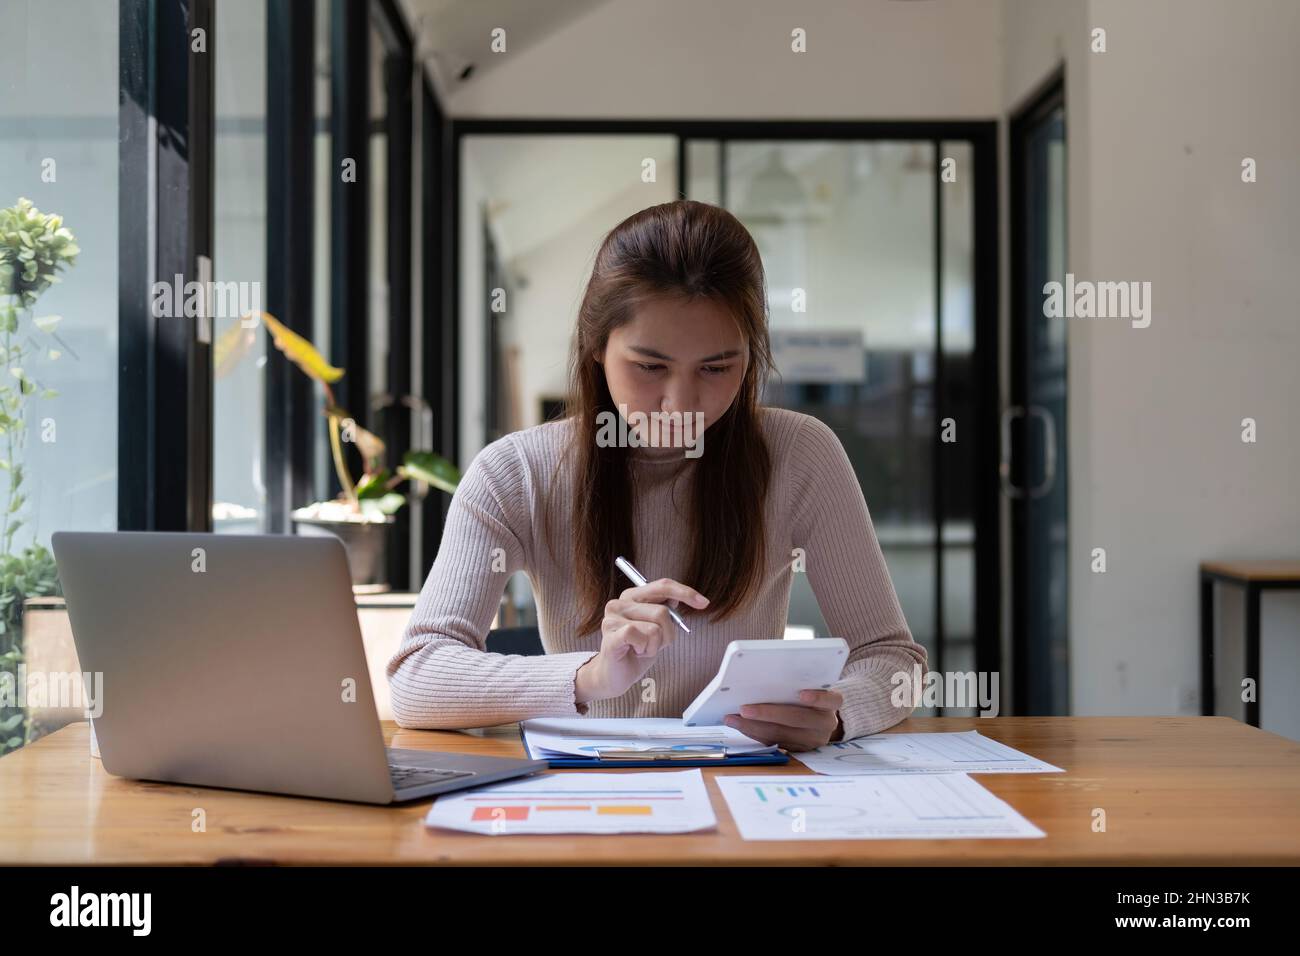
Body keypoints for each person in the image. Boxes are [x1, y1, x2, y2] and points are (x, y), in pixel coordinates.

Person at [387, 199, 927, 750]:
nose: (681, 404)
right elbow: (416, 678)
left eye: (718, 368)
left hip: (747, 790)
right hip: (588, 794)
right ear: (596, 345)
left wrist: (837, 715)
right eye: (650, 367)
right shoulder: (515, 473)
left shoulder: (799, 454)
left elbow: (892, 659)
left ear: (752, 355)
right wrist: (590, 677)